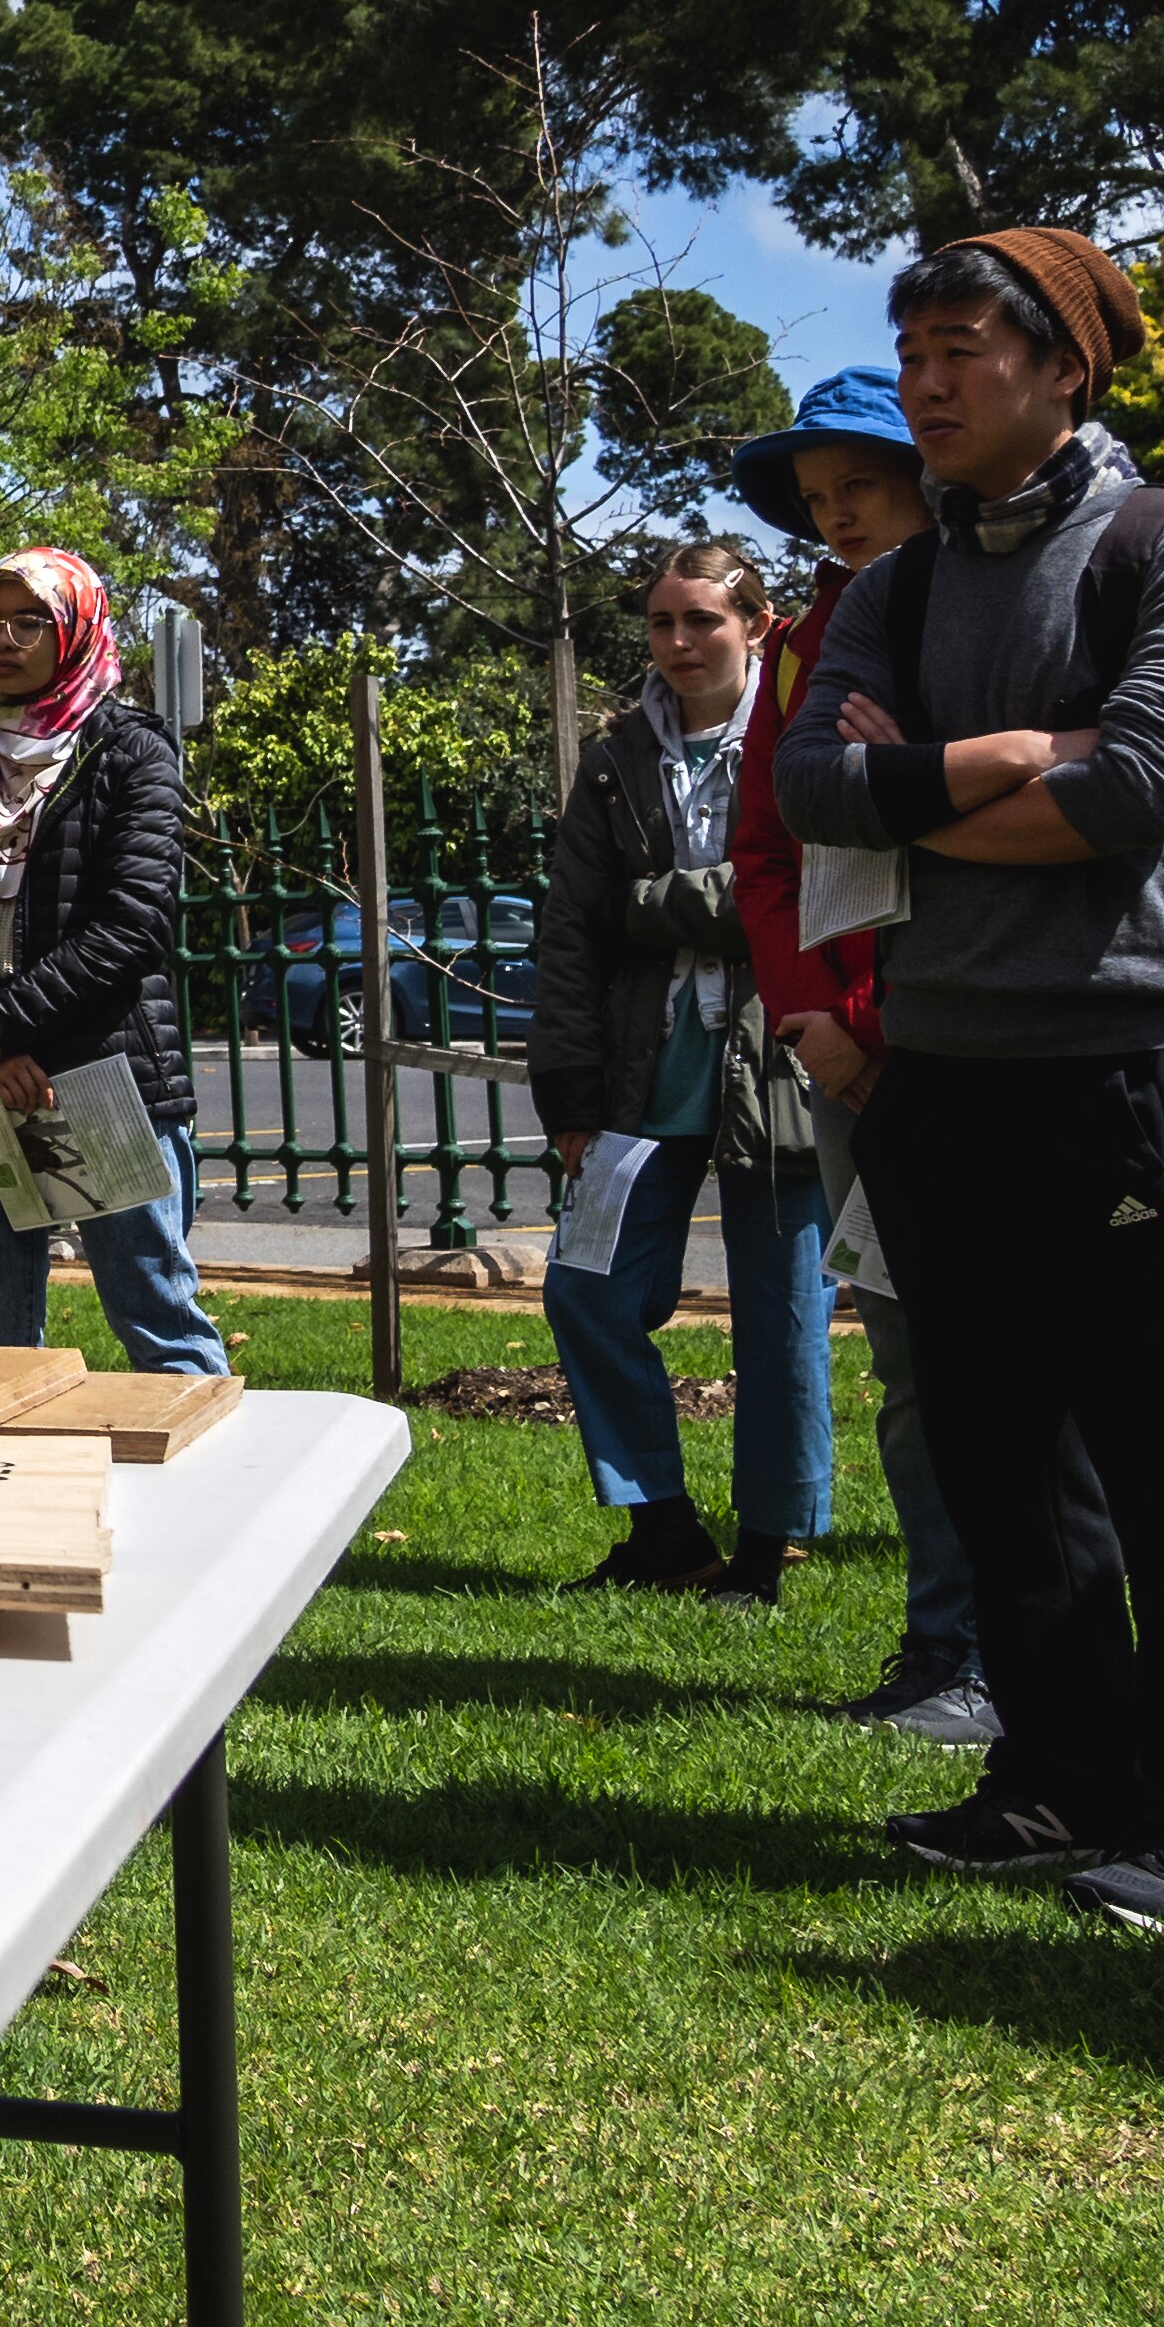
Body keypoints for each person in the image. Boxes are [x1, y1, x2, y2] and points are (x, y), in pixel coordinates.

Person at [777, 225, 1164, 1932]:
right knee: (1002, 1457)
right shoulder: (891, 587)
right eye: (908, 352)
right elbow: (807, 795)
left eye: (959, 355)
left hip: (1133, 1059)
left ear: (1066, 370)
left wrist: (915, 788)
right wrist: (1008, 758)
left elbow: (1145, 784)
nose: (923, 385)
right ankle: (1058, 1776)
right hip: (944, 1069)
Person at [726, 370, 996, 1743]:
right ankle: (942, 1640)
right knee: (907, 1361)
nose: (833, 517)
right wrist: (811, 1019)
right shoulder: (798, 646)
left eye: (860, 489)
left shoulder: (995, 618)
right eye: (815, 499)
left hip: (976, 1037)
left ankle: (1032, 1648)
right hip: (839, 1055)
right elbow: (769, 848)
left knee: (1019, 1361)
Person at [532, 541, 830, 1603]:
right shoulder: (615, 757)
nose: (679, 643)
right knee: (585, 1288)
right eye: (662, 623)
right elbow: (573, 926)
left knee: (782, 1310)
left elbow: (799, 886)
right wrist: (566, 1092)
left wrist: (653, 903)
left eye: (703, 619)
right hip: (640, 1074)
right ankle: (661, 1529)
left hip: (783, 1064)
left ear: (755, 623)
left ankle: (764, 1550)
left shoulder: (805, 734)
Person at [0, 548, 227, 1373]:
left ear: (73, 630)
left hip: (97, 1072)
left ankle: (215, 1492)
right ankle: (10, 1497)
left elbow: (131, 924)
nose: (2, 640)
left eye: (28, 621)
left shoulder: (128, 751)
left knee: (155, 1315)